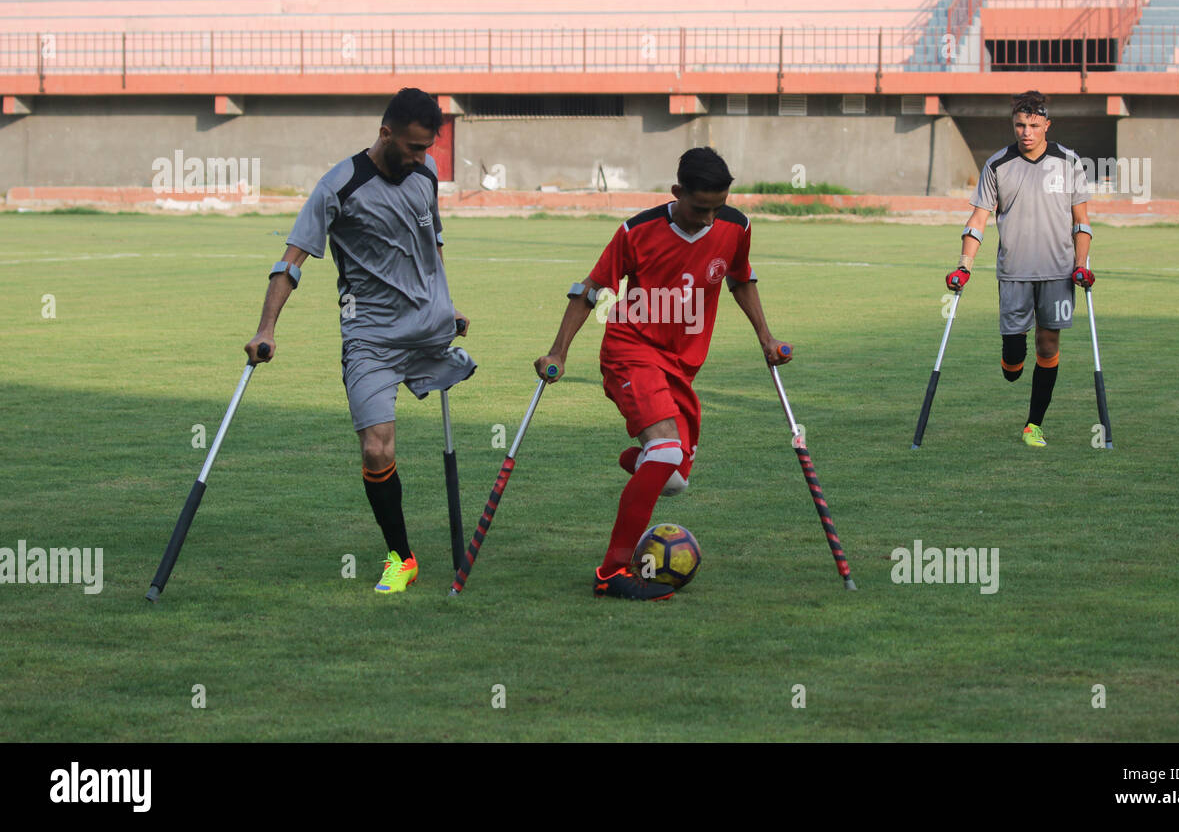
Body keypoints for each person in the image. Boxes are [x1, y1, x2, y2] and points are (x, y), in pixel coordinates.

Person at [534, 147, 791, 600]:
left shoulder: (736, 226)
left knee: (672, 480)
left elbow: (740, 278)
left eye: (717, 207)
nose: (709, 218)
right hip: (630, 351)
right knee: (668, 450)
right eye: (699, 208)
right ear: (677, 193)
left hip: (681, 367)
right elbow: (589, 290)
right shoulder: (636, 231)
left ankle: (639, 462)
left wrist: (766, 338)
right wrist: (558, 352)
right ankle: (612, 573)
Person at [244, 88, 473, 594]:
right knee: (375, 449)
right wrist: (267, 329)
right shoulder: (337, 187)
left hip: (429, 328)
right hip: (370, 336)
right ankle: (402, 557)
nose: (422, 158)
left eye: (427, 148)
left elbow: (430, 241)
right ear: (385, 132)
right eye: (414, 147)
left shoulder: (426, 175)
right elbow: (290, 261)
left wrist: (446, 303)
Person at [946, 90, 1094, 449]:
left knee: (1048, 343)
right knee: (1013, 361)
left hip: (1058, 273)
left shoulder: (1070, 162)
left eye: (1033, 124)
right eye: (1019, 125)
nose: (1025, 132)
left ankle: (1033, 425)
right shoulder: (997, 165)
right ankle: (1012, 359)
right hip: (1013, 273)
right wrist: (964, 266)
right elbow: (978, 218)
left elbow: (1082, 222)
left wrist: (1080, 265)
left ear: (1047, 124)